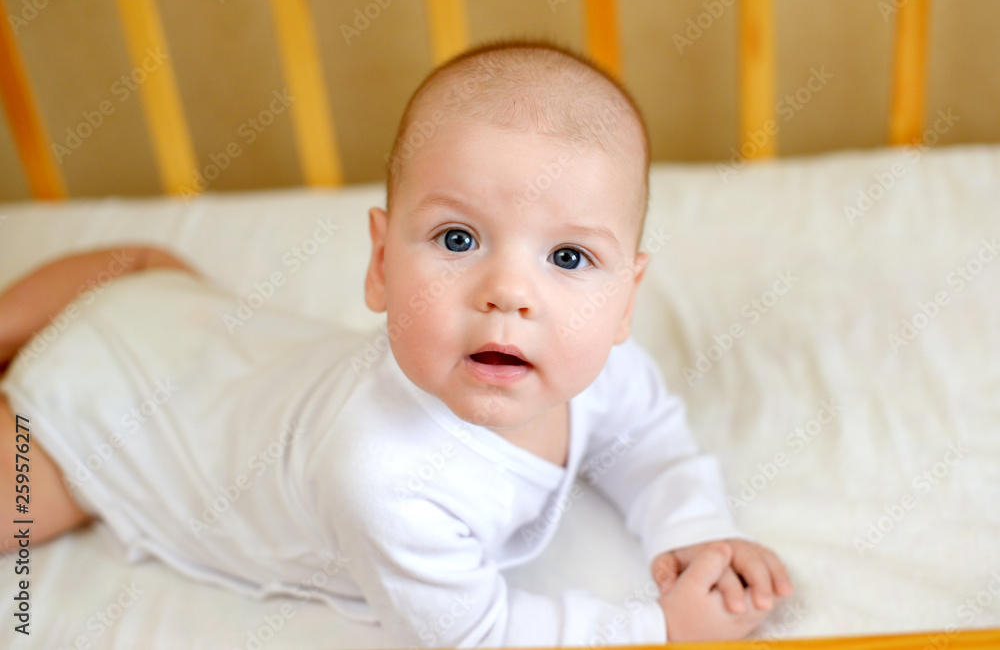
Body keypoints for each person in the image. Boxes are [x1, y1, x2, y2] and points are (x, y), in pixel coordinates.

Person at [0, 40, 792, 646]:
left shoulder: (609, 372)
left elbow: (647, 439)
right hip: (102, 429)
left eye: (568, 257)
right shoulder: (384, 476)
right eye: (457, 239)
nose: (510, 292)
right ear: (380, 264)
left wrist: (696, 532)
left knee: (150, 268)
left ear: (626, 299)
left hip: (172, 316)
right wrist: (658, 628)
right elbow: (477, 633)